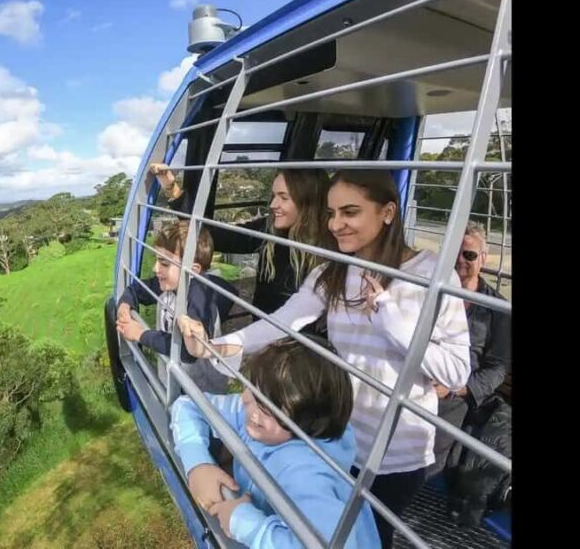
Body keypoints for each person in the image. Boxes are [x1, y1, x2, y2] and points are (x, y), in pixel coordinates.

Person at [178, 169, 471, 549]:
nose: (336, 225)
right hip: (336, 440)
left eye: (350, 212)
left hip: (396, 451)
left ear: (387, 212)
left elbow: (457, 370)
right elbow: (278, 324)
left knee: (371, 539)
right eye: (332, 213)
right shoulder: (330, 273)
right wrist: (214, 345)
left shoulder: (432, 273)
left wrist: (391, 319)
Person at [170, 339, 381, 549]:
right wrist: (198, 463)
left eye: (266, 405)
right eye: (251, 387)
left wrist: (243, 523)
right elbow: (189, 404)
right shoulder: (256, 416)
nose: (244, 398)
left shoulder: (307, 476)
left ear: (304, 419)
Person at [149, 163, 331, 317]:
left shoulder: (333, 247)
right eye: (274, 196)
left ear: (309, 202)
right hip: (264, 336)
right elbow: (215, 235)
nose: (273, 204)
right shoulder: (268, 231)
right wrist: (173, 190)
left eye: (283, 197)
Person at [429, 220, 511, 477]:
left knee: (429, 454)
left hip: (456, 396)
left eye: (470, 254)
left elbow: (498, 367)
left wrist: (458, 387)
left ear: (483, 258)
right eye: (454, 253)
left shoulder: (497, 310)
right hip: (417, 378)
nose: (460, 260)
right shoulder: (428, 292)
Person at [116, 220, 237, 393]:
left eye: (165, 263)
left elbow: (189, 351)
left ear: (193, 270)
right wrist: (125, 305)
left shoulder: (199, 297)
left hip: (201, 395)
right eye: (157, 261)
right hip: (174, 383)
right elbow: (135, 290)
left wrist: (141, 334)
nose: (155, 268)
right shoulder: (170, 282)